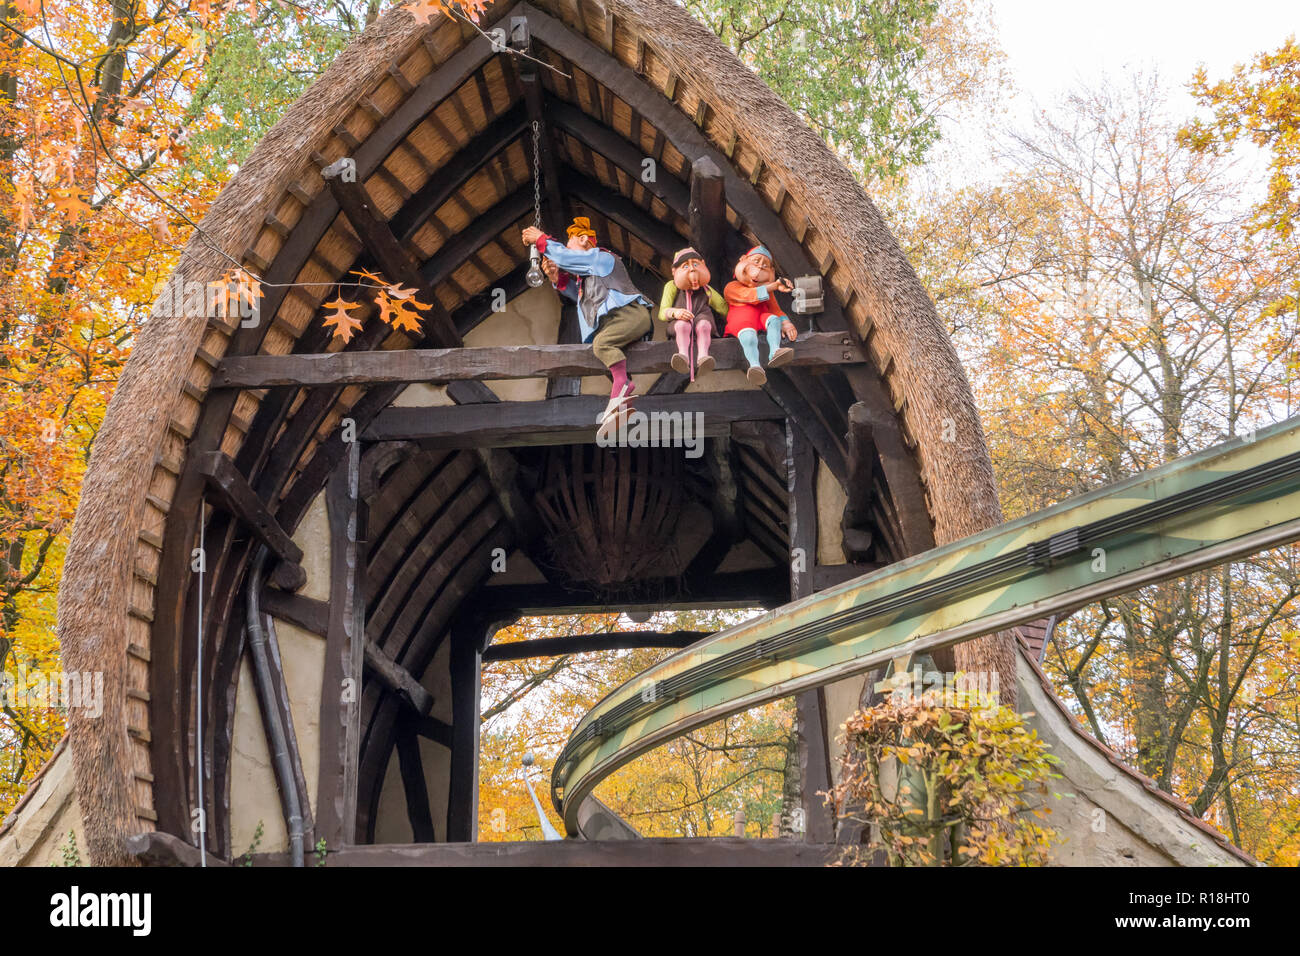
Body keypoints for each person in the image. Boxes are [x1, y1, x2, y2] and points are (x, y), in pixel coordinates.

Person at [522, 218, 653, 435]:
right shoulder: (588, 276)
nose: (566, 249)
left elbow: (566, 257)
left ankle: (623, 385)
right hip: (618, 322)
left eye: (569, 242)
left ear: (583, 239)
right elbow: (581, 297)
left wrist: (542, 240)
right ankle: (620, 399)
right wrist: (558, 278)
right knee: (602, 345)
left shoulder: (601, 257)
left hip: (629, 315)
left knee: (601, 344)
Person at [723, 245, 798, 385]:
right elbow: (750, 296)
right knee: (749, 336)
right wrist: (775, 286)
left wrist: (786, 323)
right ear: (743, 260)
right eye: (755, 262)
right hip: (742, 320)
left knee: (774, 320)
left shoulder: (768, 292)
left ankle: (775, 351)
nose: (758, 271)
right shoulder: (732, 287)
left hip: (760, 318)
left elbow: (775, 309)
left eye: (765, 267)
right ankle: (755, 365)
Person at [658, 247, 726, 381]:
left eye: (695, 264)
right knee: (682, 326)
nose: (692, 269)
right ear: (674, 271)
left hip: (702, 317)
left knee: (704, 326)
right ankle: (682, 356)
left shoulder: (707, 290)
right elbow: (662, 313)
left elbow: (723, 307)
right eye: (685, 266)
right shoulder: (671, 287)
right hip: (680, 323)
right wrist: (675, 312)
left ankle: (703, 357)